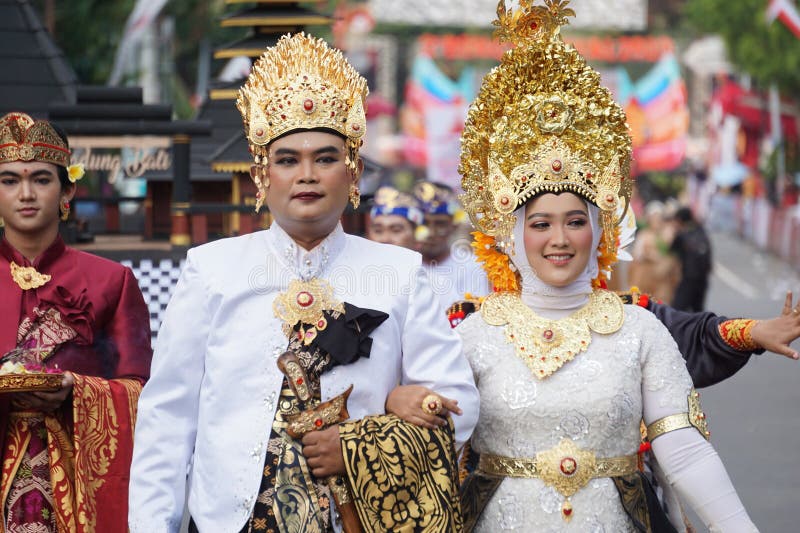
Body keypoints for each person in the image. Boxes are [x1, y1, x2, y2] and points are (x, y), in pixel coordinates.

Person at [128, 33, 479, 533]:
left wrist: (363, 445)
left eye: (326, 158)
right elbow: (167, 422)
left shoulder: (398, 272)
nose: (307, 175)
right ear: (261, 173)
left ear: (353, 171)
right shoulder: (212, 269)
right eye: (288, 159)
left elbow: (457, 410)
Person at [450, 3, 757, 530]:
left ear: (601, 229)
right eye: (540, 224)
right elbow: (436, 454)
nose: (559, 239)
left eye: (575, 221)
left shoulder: (639, 330)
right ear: (512, 236)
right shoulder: (474, 334)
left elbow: (683, 453)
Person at [0, 112, 152, 533]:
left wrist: (77, 391)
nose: (25, 193)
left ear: (67, 191)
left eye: (41, 180)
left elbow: (145, 395)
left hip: (80, 487)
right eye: (9, 180)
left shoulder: (111, 281)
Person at [413, 181, 491, 306]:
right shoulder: (405, 265)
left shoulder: (472, 266)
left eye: (440, 224)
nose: (431, 233)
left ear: (454, 225)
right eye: (424, 223)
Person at [670, 206, 713, 312]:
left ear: (679, 220)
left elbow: (670, 250)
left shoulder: (681, 235)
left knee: (677, 310)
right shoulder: (701, 231)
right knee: (698, 310)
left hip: (688, 278)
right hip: (703, 278)